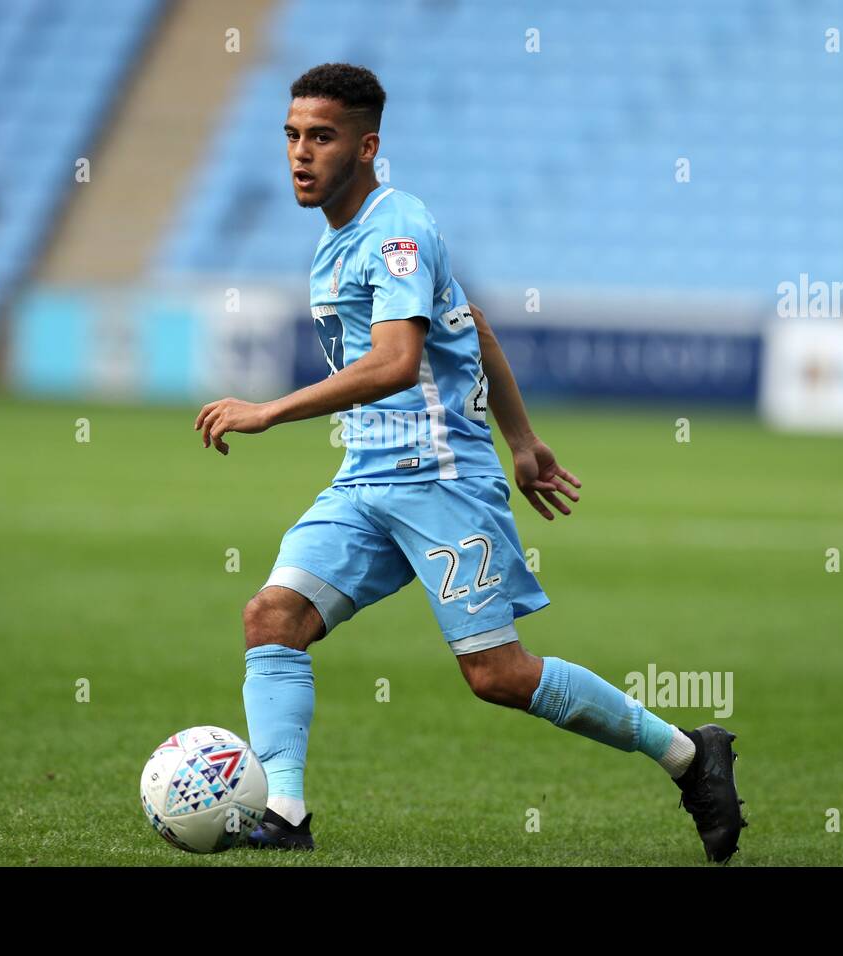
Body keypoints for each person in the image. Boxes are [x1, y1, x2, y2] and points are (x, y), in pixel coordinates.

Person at [194, 63, 745, 861]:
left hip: (440, 479)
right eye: (292, 136)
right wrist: (523, 441)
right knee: (271, 618)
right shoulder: (339, 239)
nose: (301, 153)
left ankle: (691, 756)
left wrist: (269, 410)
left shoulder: (397, 230)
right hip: (366, 481)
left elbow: (395, 363)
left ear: (366, 146)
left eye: (322, 137)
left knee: (497, 674)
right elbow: (473, 324)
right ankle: (284, 814)